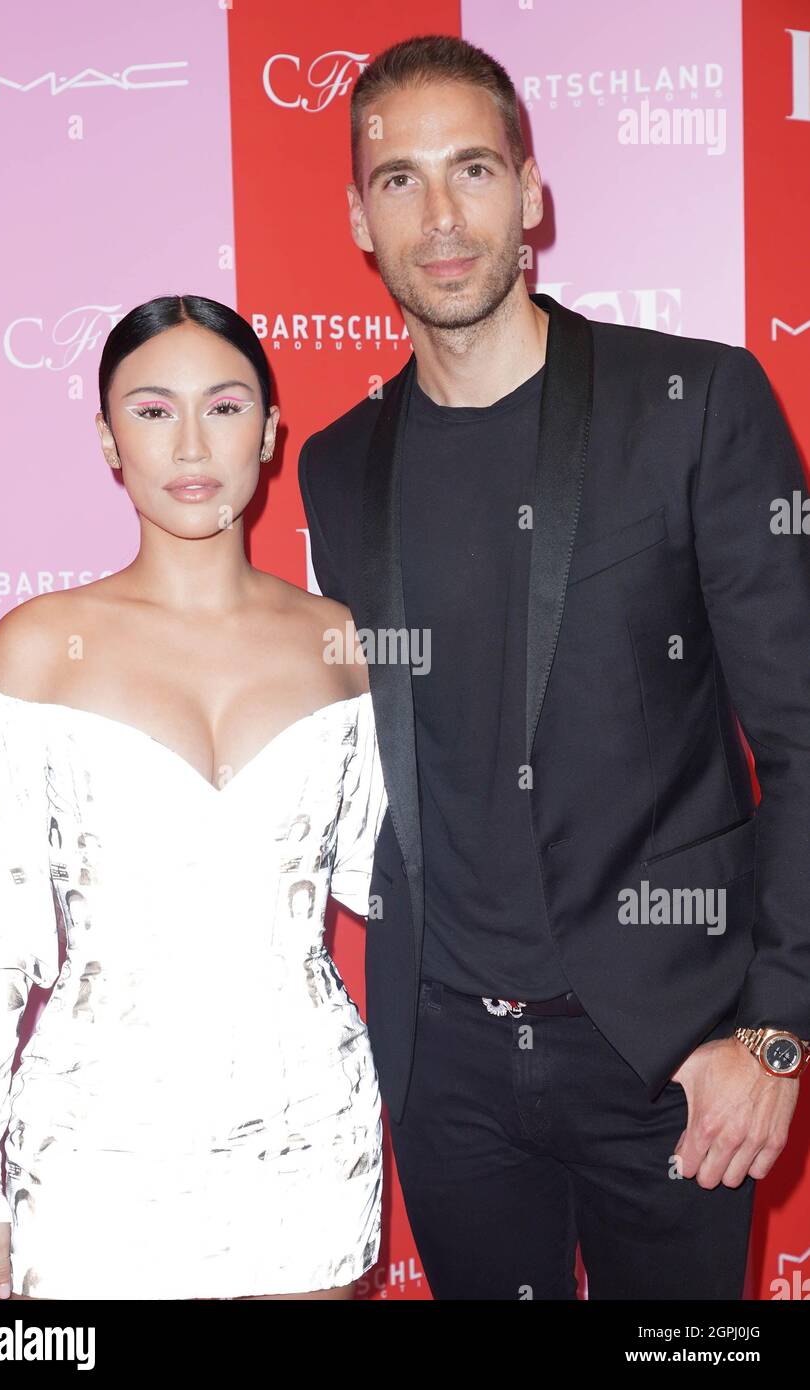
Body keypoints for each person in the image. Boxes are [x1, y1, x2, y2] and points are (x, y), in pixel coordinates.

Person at [298, 35, 810, 1300]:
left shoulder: (691, 402)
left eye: (471, 167)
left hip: (671, 1053)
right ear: (358, 218)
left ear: (530, 195)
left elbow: (800, 732)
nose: (441, 214)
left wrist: (775, 1031)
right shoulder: (334, 463)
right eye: (399, 179)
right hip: (446, 1074)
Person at [0, 294, 388, 1301]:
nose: (191, 443)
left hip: (307, 1136)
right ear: (107, 438)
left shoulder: (341, 641)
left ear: (270, 433)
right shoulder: (35, 648)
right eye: (151, 411)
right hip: (98, 1148)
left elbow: (396, 888)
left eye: (224, 407)